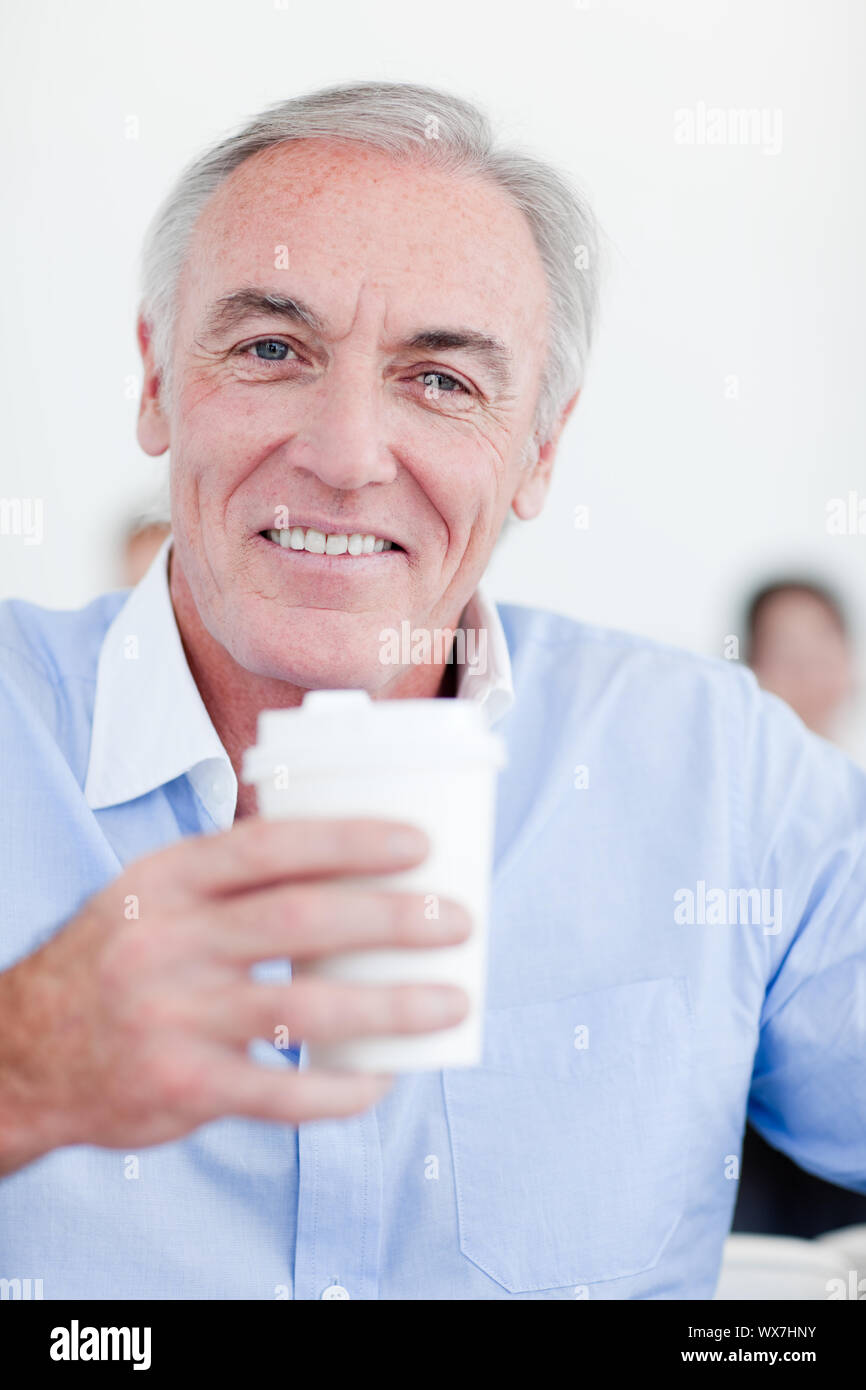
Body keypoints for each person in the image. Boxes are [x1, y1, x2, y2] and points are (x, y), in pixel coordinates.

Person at [0, 81, 864, 1302]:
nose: (346, 455)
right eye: (269, 349)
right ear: (153, 382)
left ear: (537, 453)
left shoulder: (724, 776)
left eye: (441, 381)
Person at [733, 577, 866, 1238]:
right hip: (760, 1137)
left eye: (823, 652)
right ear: (752, 673)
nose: (809, 674)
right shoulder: (728, 822)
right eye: (786, 654)